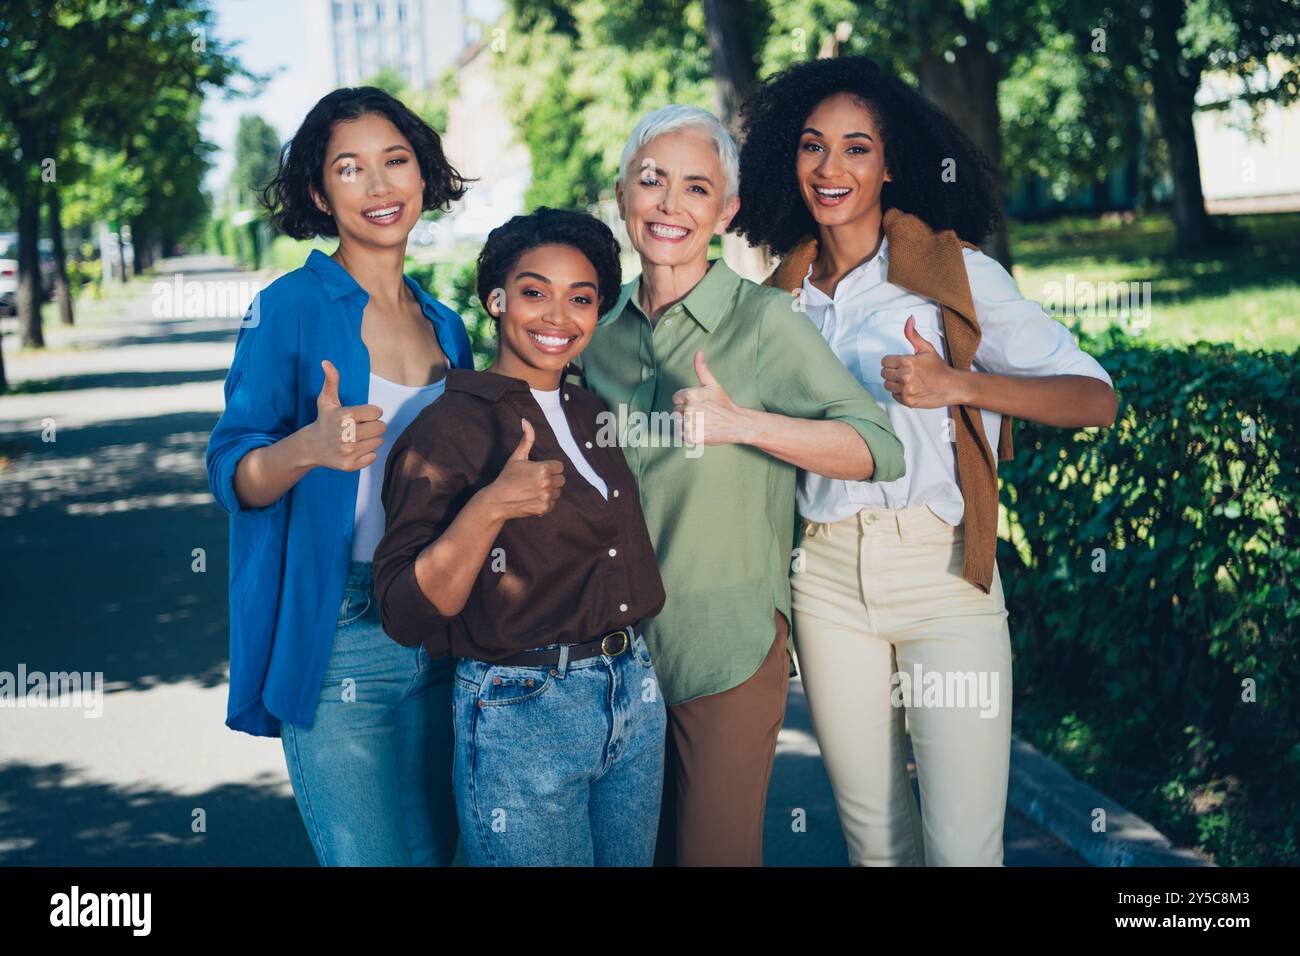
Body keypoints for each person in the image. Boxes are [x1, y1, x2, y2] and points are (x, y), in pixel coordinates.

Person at [732, 56, 1118, 865]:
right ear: (786, 159)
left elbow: (1094, 398)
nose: (830, 168)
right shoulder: (777, 299)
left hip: (942, 577)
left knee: (961, 851)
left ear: (892, 163)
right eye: (812, 146)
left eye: (856, 148)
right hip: (828, 584)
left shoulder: (954, 275)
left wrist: (959, 385)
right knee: (877, 848)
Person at [570, 105, 905, 866]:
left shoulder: (765, 323)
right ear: (622, 194)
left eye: (696, 189)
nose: (669, 205)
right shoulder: (597, 328)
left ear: (726, 212)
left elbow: (878, 447)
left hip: (725, 647)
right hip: (612, 657)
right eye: (651, 181)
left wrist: (745, 424)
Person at [205, 86, 472, 865]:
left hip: (435, 625)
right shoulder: (285, 307)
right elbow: (230, 472)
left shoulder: (446, 323)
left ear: (423, 175)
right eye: (350, 170)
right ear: (321, 194)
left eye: (396, 162)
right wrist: (307, 449)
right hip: (338, 635)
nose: (380, 187)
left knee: (437, 856)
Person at [372, 208, 668, 866]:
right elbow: (404, 610)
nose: (557, 317)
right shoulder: (448, 429)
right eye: (535, 292)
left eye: (581, 298)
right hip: (523, 710)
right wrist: (489, 508)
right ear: (496, 299)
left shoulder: (592, 411)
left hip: (635, 693)